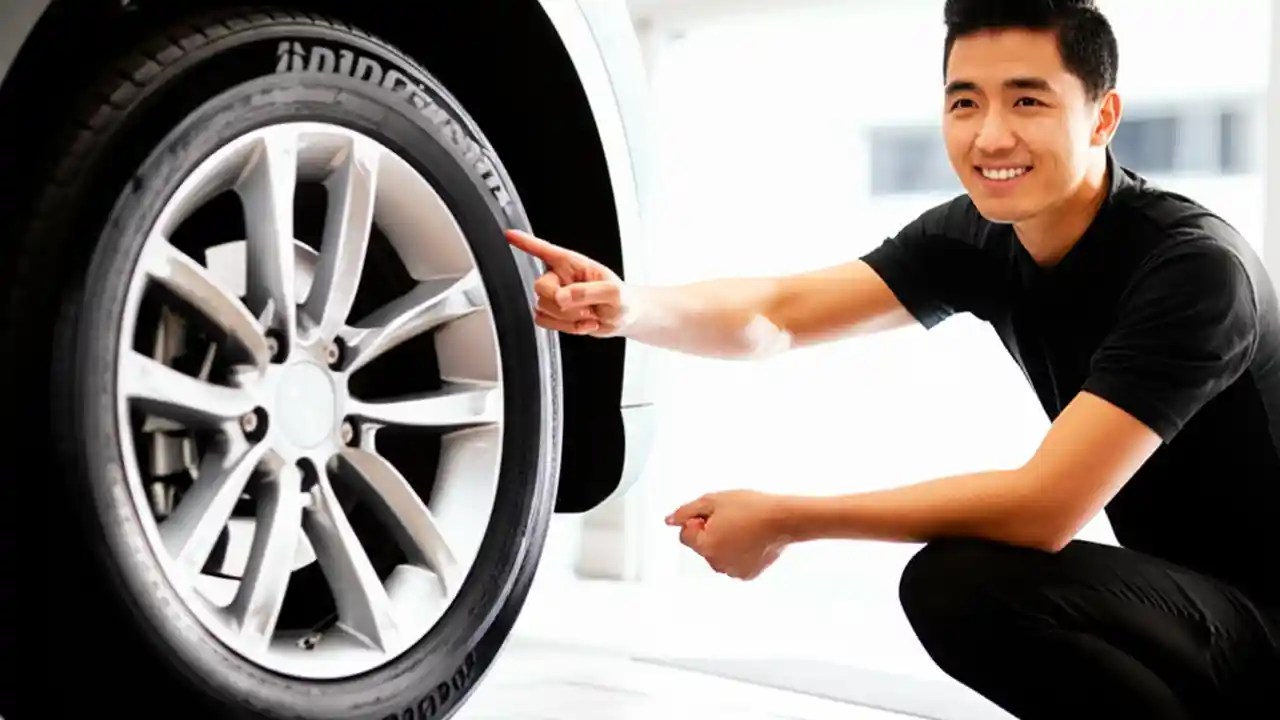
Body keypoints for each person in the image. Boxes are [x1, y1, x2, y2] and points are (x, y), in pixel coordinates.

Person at [505, 0, 1280, 717]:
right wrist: (629, 308)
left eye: (1028, 100)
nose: (990, 136)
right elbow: (780, 313)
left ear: (1103, 116)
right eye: (965, 100)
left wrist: (788, 520)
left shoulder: (1193, 271)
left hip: (1264, 622)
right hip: (1201, 601)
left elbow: (1044, 509)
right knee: (968, 585)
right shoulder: (981, 237)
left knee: (967, 587)